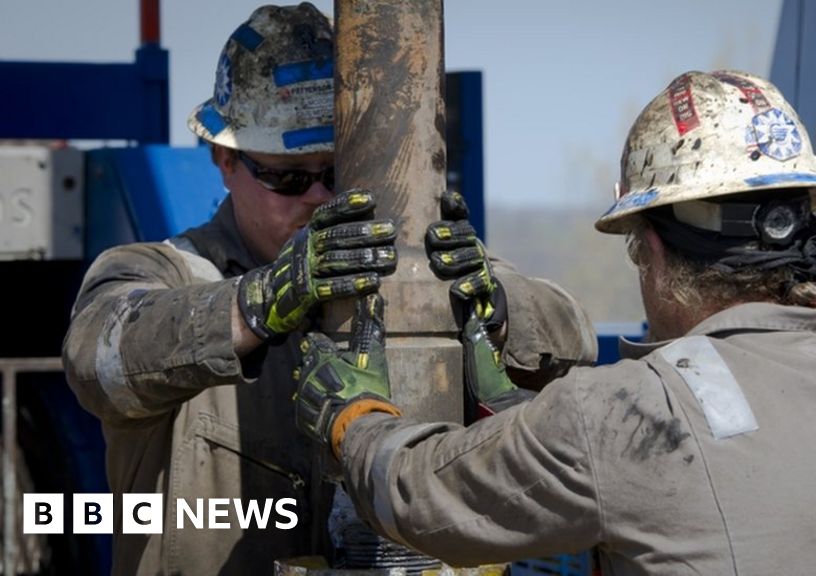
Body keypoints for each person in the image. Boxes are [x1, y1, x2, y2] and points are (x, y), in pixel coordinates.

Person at [294, 70, 816, 575]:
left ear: (651, 248)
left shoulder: (624, 413)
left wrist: (353, 421)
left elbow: (421, 498)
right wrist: (515, 411)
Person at [61, 4, 596, 575]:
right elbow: (97, 358)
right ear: (224, 159)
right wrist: (257, 304)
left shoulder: (419, 272)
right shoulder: (164, 272)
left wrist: (503, 310)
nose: (317, 197)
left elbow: (577, 339)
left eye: (335, 174)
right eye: (289, 177)